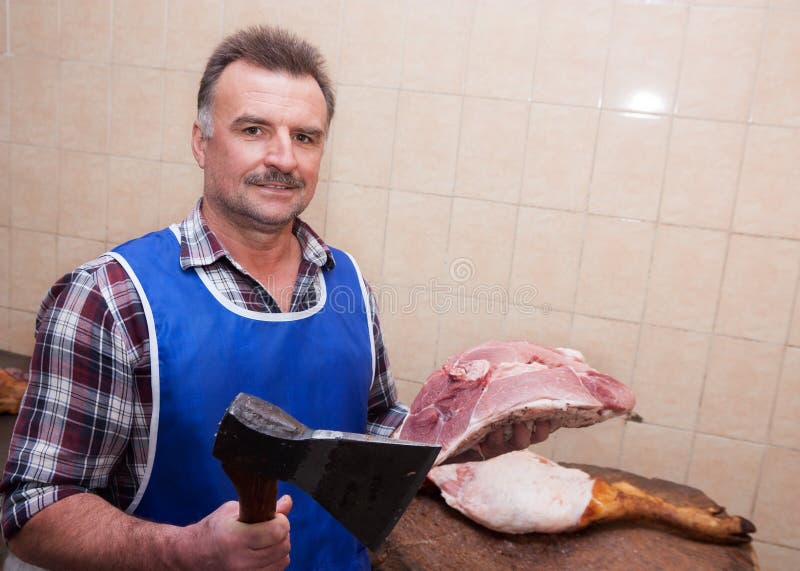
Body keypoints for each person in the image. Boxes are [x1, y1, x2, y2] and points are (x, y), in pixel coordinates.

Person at [0, 26, 549, 571]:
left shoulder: (346, 280)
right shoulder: (111, 297)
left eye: (305, 137)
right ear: (201, 141)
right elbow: (34, 511)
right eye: (255, 129)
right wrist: (187, 551)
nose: (284, 158)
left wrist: (467, 435)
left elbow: (372, 427)